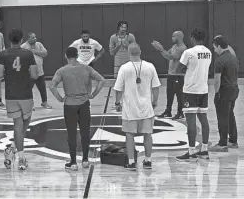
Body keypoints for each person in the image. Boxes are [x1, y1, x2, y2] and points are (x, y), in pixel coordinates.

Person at [49, 47, 105, 171]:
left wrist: (59, 98)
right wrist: (93, 94)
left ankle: (73, 162)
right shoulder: (87, 68)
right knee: (85, 132)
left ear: (66, 56)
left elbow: (52, 85)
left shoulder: (62, 71)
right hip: (84, 103)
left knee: (71, 133)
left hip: (69, 105)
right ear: (77, 55)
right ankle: (85, 160)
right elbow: (102, 80)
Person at [113, 43, 161, 171]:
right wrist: (155, 101)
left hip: (130, 108)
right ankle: (148, 161)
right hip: (146, 107)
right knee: (147, 134)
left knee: (129, 134)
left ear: (129, 52)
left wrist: (117, 103)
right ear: (140, 51)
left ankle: (131, 162)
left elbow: (118, 89)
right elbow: (156, 87)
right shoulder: (150, 66)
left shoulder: (124, 68)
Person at [0, 28, 39, 170]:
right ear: (21, 40)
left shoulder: (3, 54)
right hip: (25, 93)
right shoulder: (28, 54)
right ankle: (21, 159)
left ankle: (12, 150)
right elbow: (34, 74)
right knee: (22, 125)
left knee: (18, 126)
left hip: (10, 94)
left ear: (9, 40)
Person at [176, 28, 212, 162]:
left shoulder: (188, 52)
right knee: (204, 119)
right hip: (204, 89)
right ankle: (204, 150)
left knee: (190, 120)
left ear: (192, 38)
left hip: (190, 90)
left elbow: (178, 68)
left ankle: (191, 153)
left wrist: (187, 69)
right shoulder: (208, 52)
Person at [209, 36, 240, 152]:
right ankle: (232, 140)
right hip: (234, 89)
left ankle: (222, 143)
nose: (215, 50)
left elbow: (217, 80)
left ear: (219, 46)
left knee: (222, 116)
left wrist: (216, 93)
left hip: (224, 91)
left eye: (215, 48)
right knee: (230, 114)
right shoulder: (233, 58)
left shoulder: (219, 60)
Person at [152, 31, 187, 120]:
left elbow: (171, 57)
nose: (172, 38)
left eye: (173, 36)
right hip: (171, 74)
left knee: (179, 95)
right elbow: (167, 55)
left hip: (178, 75)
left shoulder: (182, 48)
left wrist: (161, 49)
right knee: (169, 94)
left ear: (179, 37)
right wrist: (160, 49)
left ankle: (180, 112)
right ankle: (168, 111)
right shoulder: (174, 46)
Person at [21, 32, 52, 109]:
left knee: (42, 88)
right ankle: (30, 104)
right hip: (29, 72)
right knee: (28, 89)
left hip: (40, 71)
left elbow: (45, 53)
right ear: (28, 38)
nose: (35, 39)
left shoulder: (39, 44)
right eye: (32, 37)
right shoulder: (23, 46)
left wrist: (34, 51)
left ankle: (44, 102)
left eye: (35, 37)